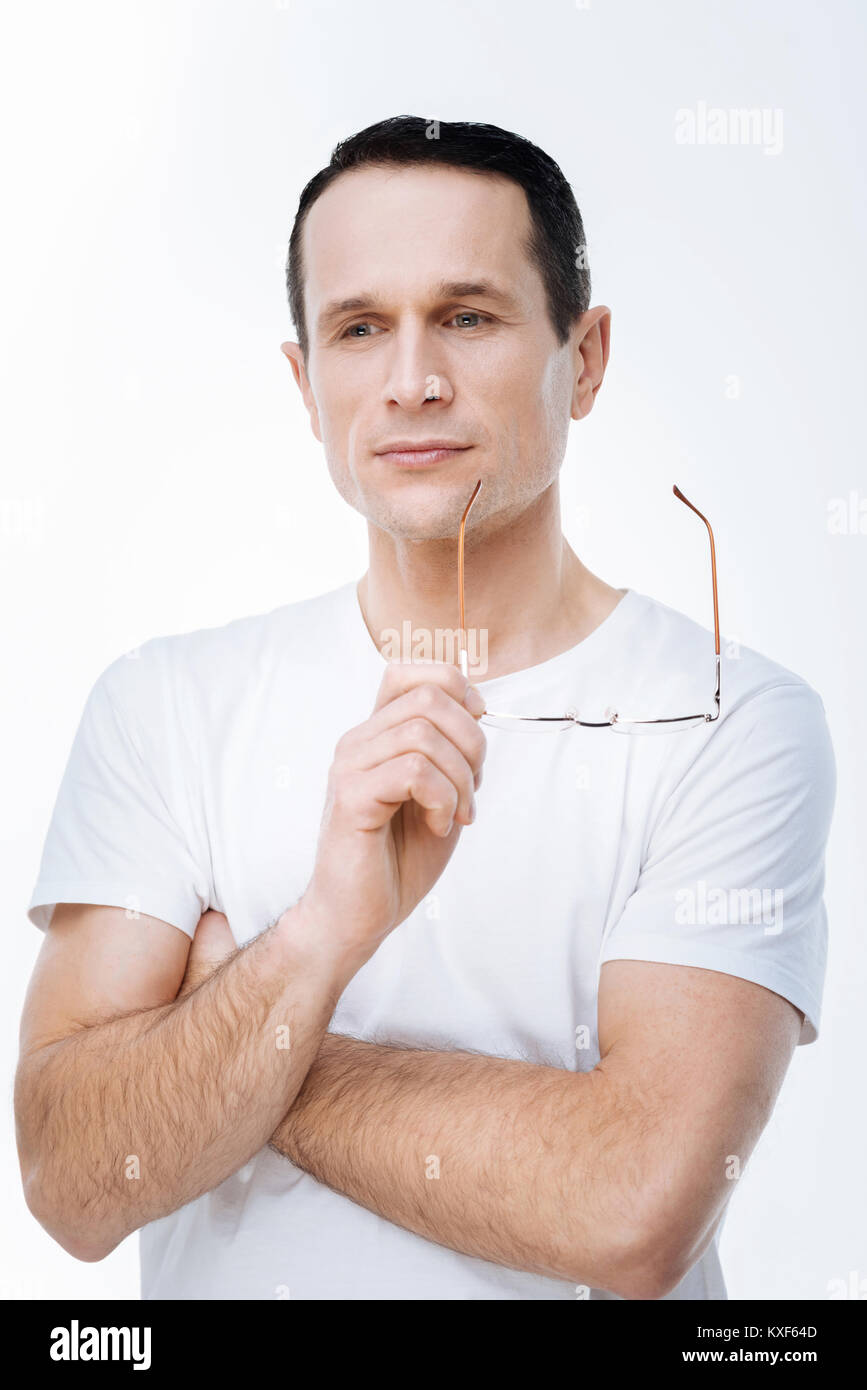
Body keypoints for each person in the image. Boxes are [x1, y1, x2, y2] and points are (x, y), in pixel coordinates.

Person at [16, 115, 835, 1300]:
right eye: (359, 328)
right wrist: (321, 938)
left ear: (586, 358)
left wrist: (246, 1034)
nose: (412, 382)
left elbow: (637, 1207)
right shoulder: (165, 708)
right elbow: (74, 1182)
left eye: (469, 315)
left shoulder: (731, 718)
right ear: (304, 383)